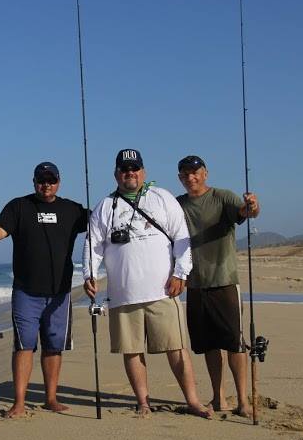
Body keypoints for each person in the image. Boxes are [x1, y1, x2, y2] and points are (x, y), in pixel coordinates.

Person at [83, 149, 211, 418]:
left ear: (143, 172)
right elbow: (93, 245)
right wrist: (89, 274)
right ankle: (143, 402)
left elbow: (182, 238)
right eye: (124, 169)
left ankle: (193, 401)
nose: (130, 173)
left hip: (163, 291)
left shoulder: (162, 197)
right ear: (116, 174)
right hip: (123, 294)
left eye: (135, 168)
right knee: (131, 351)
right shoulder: (105, 206)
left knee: (176, 348)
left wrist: (181, 273)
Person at [0, 161, 88, 418]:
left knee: (54, 346)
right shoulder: (19, 206)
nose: (46, 185)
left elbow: (102, 221)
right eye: (41, 180)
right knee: (24, 345)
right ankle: (19, 402)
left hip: (60, 293)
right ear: (34, 181)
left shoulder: (72, 210)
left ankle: (51, 398)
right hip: (26, 292)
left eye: (51, 180)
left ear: (58, 182)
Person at [176, 155, 261, 417]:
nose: (191, 177)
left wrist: (252, 206)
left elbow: (246, 213)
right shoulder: (177, 204)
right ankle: (217, 397)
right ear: (180, 178)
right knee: (209, 344)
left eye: (195, 172)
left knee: (234, 344)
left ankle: (243, 401)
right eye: (185, 173)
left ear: (205, 173)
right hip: (195, 286)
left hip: (225, 282)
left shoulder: (222, 197)